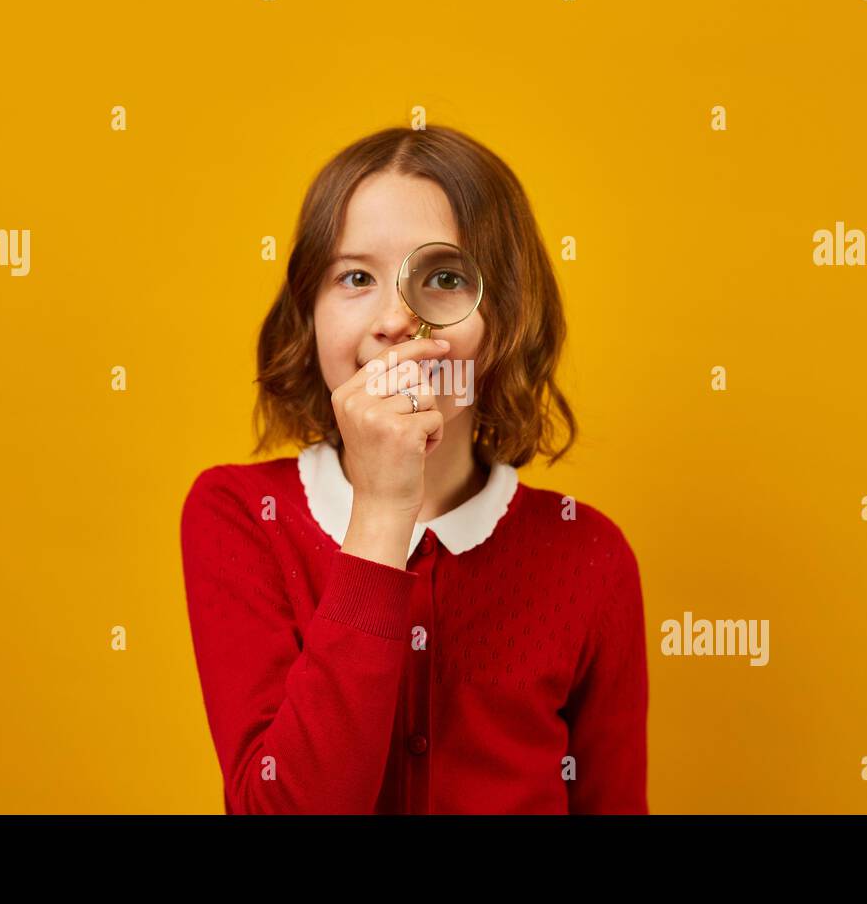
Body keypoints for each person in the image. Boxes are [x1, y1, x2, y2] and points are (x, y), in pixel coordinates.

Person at [180, 124, 648, 814]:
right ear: (309, 313)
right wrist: (381, 511)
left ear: (506, 318)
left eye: (444, 279)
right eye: (356, 278)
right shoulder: (240, 514)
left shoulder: (589, 552)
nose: (397, 320)